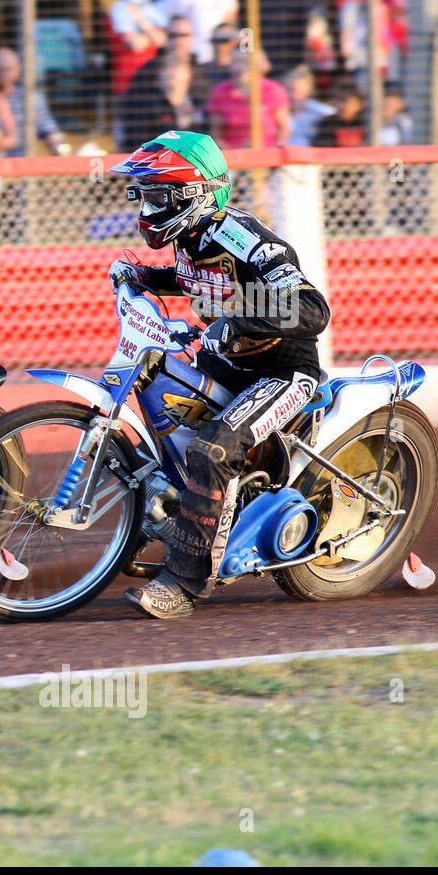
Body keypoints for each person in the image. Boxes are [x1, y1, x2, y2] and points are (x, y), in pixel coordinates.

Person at [109, 131, 329, 619]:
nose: (147, 209)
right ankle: (177, 513)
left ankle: (185, 585)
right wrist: (144, 276)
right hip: (222, 366)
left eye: (157, 197)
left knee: (210, 450)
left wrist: (236, 322)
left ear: (194, 194)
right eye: (143, 196)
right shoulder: (191, 237)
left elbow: (314, 309)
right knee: (156, 399)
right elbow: (195, 278)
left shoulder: (246, 238)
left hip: (281, 372)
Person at [0, 48, 69, 157]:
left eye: (7, 69)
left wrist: (62, 151)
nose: (2, 74)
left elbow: (49, 130)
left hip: (21, 162)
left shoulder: (30, 98)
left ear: (18, 71)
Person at [206, 49, 291, 148]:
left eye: (245, 62)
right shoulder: (220, 91)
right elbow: (215, 134)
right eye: (236, 62)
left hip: (266, 153)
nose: (240, 67)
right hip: (231, 154)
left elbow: (284, 128)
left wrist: (275, 152)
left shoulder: (273, 90)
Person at [107, 0, 167, 99]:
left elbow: (162, 41)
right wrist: (151, 37)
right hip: (126, 83)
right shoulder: (117, 12)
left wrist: (140, 20)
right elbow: (134, 44)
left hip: (151, 82)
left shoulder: (152, 11)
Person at [284, 65, 335, 147]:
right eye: (287, 90)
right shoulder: (278, 113)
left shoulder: (322, 112)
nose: (290, 95)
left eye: (294, 90)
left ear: (308, 91)